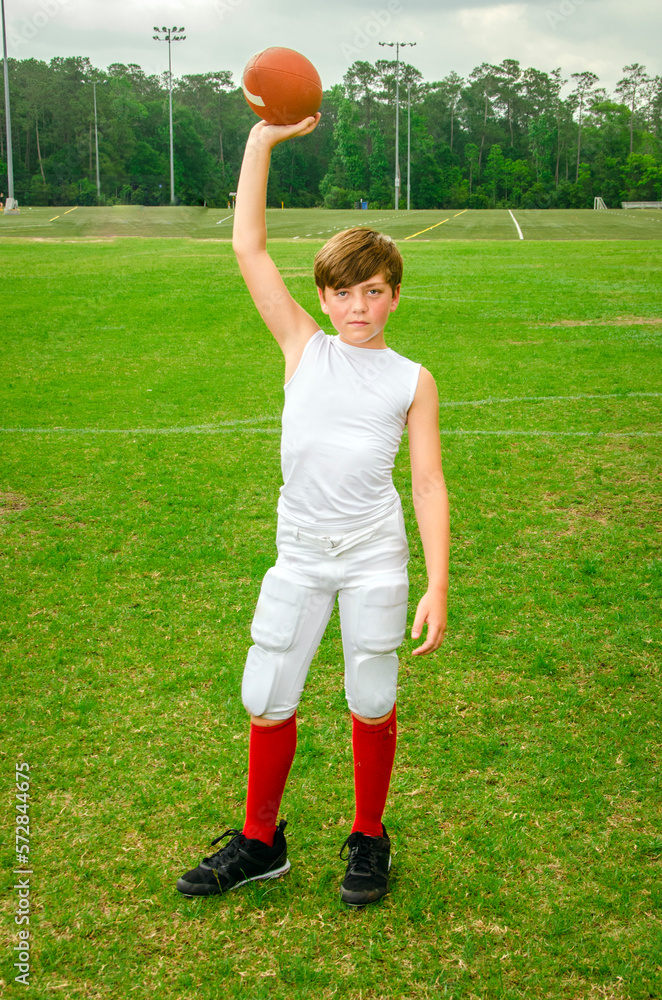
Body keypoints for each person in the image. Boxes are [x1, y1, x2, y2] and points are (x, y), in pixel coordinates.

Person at [176, 114, 449, 908]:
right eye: (342, 292)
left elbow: (428, 482)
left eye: (373, 291)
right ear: (322, 297)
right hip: (300, 548)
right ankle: (261, 842)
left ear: (393, 295)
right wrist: (259, 142)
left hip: (373, 552)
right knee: (267, 691)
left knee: (372, 694)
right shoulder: (303, 344)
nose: (357, 307)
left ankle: (369, 836)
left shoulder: (411, 379)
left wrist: (437, 583)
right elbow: (248, 249)